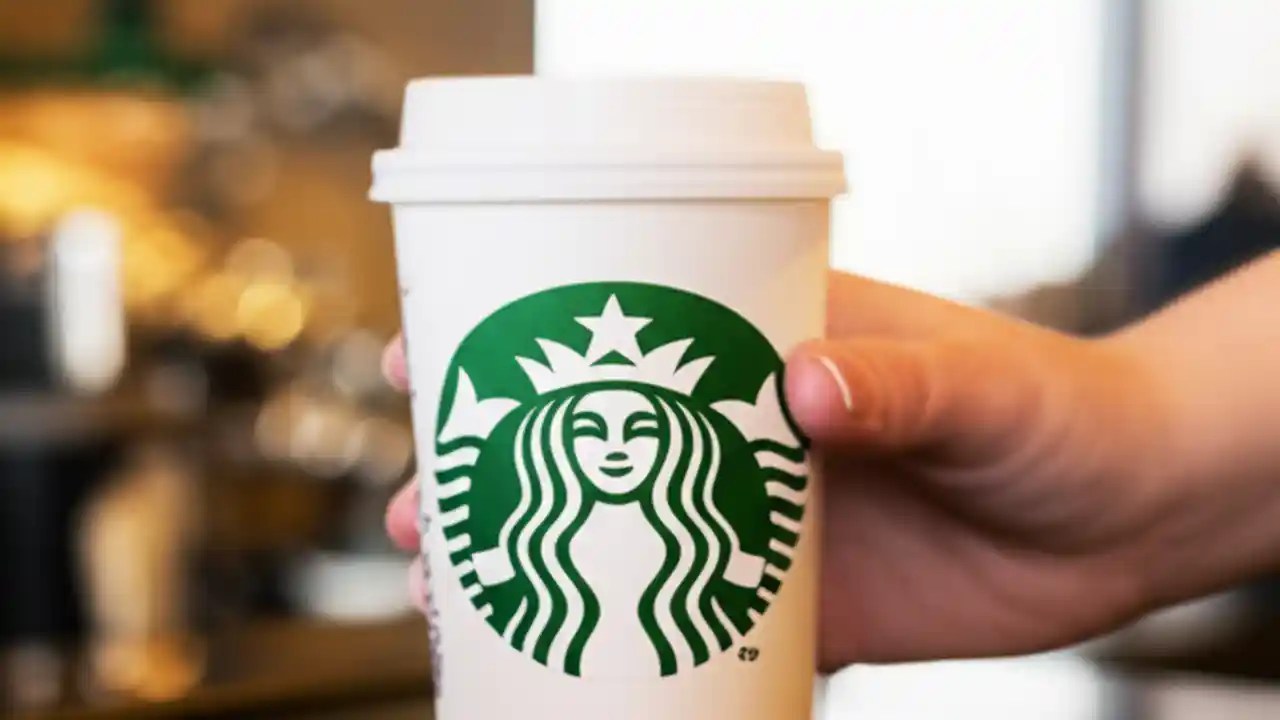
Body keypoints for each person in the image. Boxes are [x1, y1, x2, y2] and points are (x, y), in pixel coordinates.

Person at [383, 251, 1280, 671]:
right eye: (588, 431)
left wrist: (1146, 446)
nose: (616, 449)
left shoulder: (704, 563)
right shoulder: (546, 566)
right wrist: (1147, 447)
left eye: (642, 431)